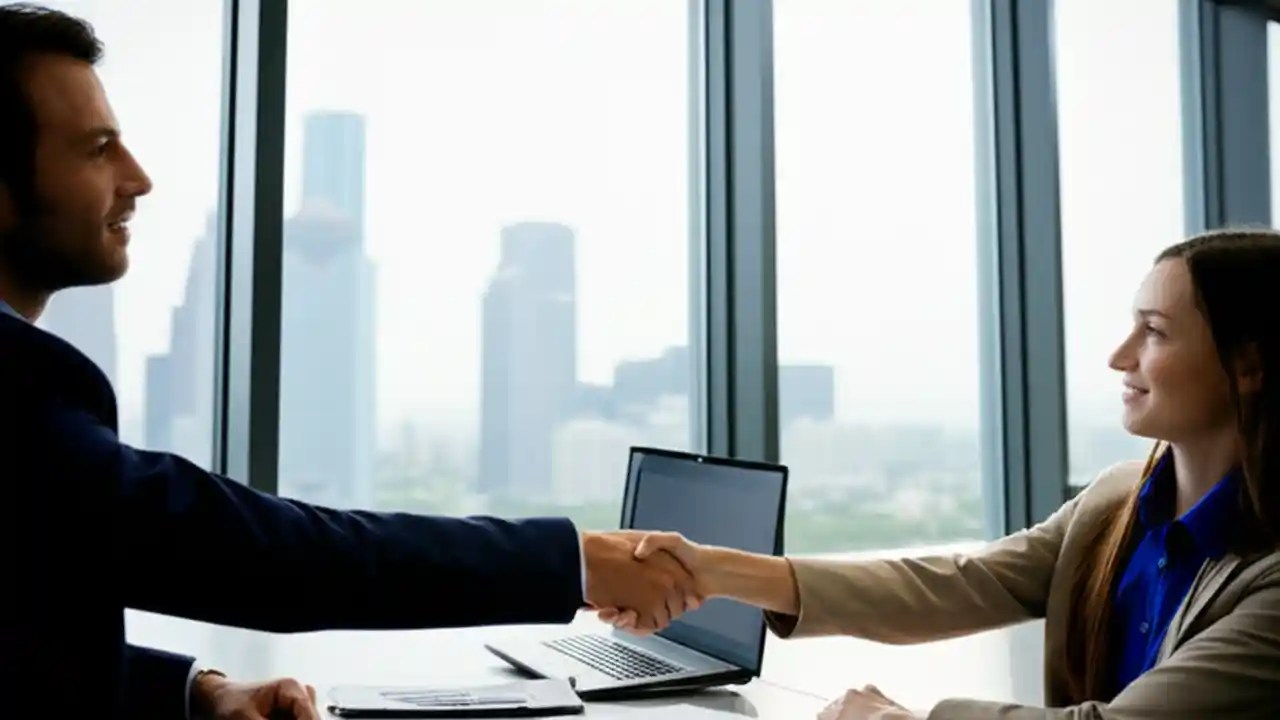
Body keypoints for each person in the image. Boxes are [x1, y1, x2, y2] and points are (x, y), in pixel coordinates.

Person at [0, 5, 697, 720]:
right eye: (96, 149)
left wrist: (193, 691)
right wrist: (573, 563)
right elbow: (259, 553)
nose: (138, 178)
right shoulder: (19, 384)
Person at [606, 229, 1280, 719]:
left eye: (1155, 332)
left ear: (1250, 366)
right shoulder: (1113, 502)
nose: (1118, 355)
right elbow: (959, 584)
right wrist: (715, 571)